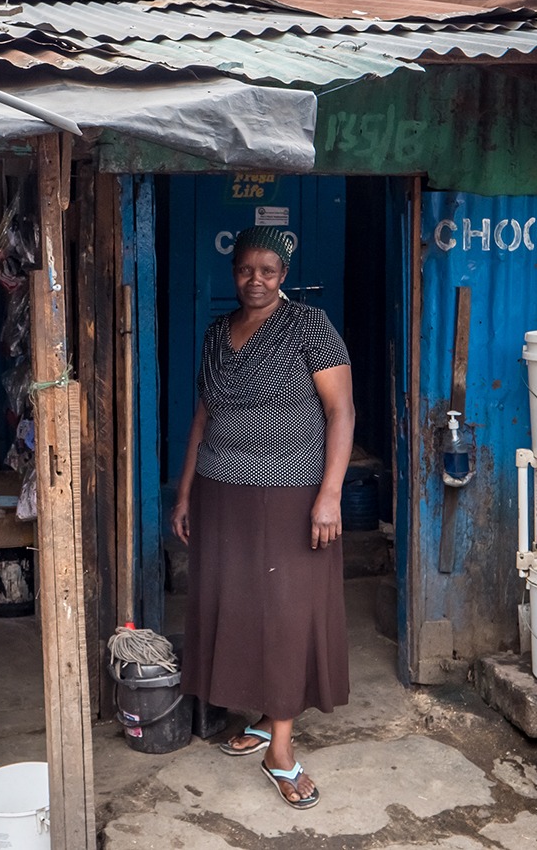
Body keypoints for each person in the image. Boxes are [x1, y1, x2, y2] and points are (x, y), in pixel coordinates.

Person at [172, 225, 354, 810]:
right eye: (247, 270)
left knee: (285, 611)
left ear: (284, 275)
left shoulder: (309, 327)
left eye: (268, 271)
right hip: (220, 491)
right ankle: (263, 717)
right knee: (241, 604)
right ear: (235, 273)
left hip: (289, 492)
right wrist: (183, 495)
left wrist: (330, 496)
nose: (256, 280)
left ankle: (281, 747)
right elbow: (201, 418)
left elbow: (342, 412)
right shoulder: (215, 333)